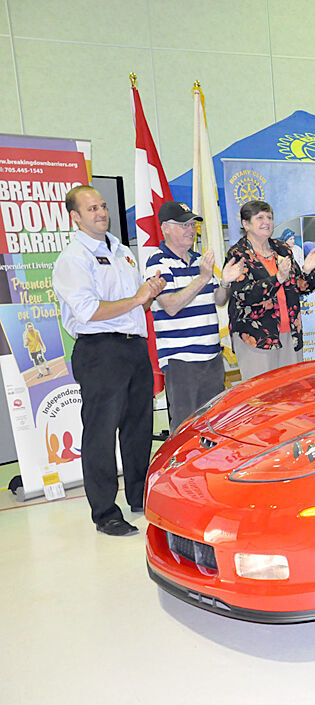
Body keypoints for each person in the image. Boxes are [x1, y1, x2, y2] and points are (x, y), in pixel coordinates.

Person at [52, 185, 166, 536]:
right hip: (100, 351)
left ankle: (138, 496)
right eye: (91, 209)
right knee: (101, 433)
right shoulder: (73, 259)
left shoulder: (121, 251)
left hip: (133, 348)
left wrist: (149, 294)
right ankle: (105, 513)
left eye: (102, 206)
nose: (101, 212)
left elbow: (135, 303)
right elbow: (87, 313)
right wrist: (137, 299)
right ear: (75, 217)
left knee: (137, 427)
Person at [147, 200, 244, 431]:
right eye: (184, 225)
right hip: (182, 361)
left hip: (211, 357)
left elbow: (219, 300)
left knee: (215, 424)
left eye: (192, 225)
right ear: (165, 228)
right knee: (185, 429)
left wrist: (225, 282)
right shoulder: (157, 263)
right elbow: (170, 306)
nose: (191, 230)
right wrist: (201, 278)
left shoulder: (200, 260)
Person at [226, 200, 315, 380]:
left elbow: (300, 287)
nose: (267, 221)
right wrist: (277, 279)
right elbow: (243, 295)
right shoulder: (238, 254)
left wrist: (308, 270)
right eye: (260, 217)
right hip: (257, 337)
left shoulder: (282, 248)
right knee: (262, 399)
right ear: (245, 224)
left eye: (269, 217)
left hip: (289, 332)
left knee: (292, 393)